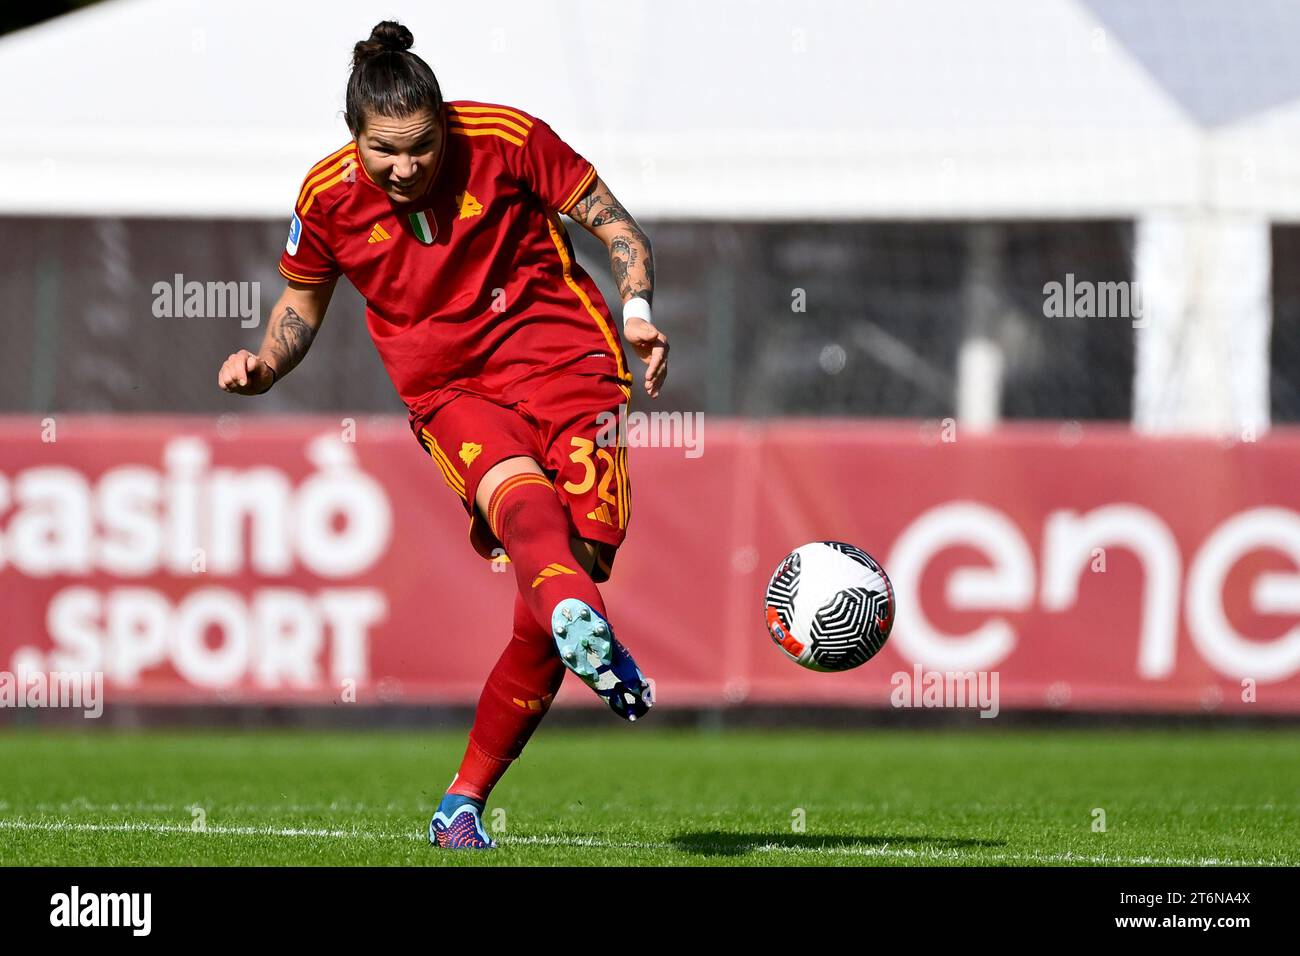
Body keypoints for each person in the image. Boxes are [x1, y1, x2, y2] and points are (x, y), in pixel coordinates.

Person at [217, 20, 669, 850]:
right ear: (354, 137)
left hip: (567, 363)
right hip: (449, 390)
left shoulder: (506, 139)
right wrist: (267, 364)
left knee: (571, 568)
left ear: (444, 125)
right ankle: (570, 624)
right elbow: (301, 306)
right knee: (525, 517)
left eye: (422, 146)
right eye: (384, 151)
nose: (405, 166)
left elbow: (619, 228)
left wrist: (637, 314)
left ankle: (464, 795)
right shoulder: (325, 198)